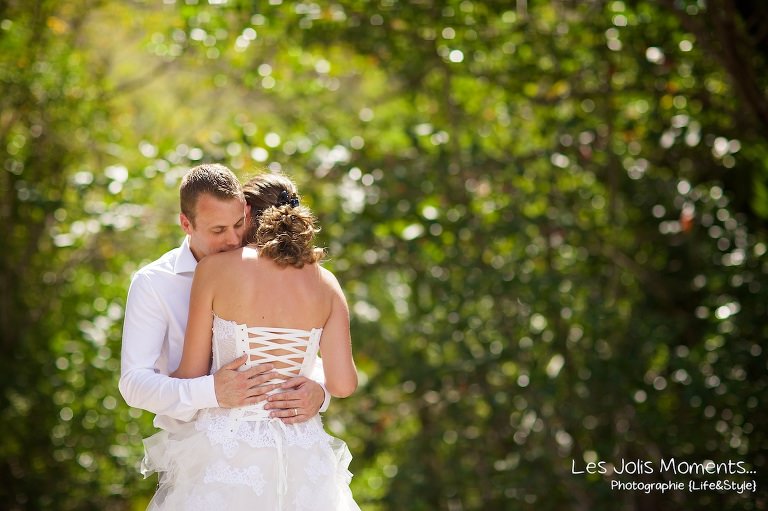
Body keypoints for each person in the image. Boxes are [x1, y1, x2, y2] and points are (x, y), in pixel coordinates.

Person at [141, 172, 360, 510]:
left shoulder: (214, 270)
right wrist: (315, 390)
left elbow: (191, 374)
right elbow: (343, 384)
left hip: (225, 451)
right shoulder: (327, 283)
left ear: (246, 215)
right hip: (302, 451)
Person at [119, 163, 329, 437]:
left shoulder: (264, 266)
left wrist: (320, 391)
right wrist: (212, 392)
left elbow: (298, 345)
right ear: (186, 224)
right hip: (196, 451)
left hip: (279, 442)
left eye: (238, 224)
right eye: (218, 230)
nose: (233, 240)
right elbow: (134, 384)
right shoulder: (153, 283)